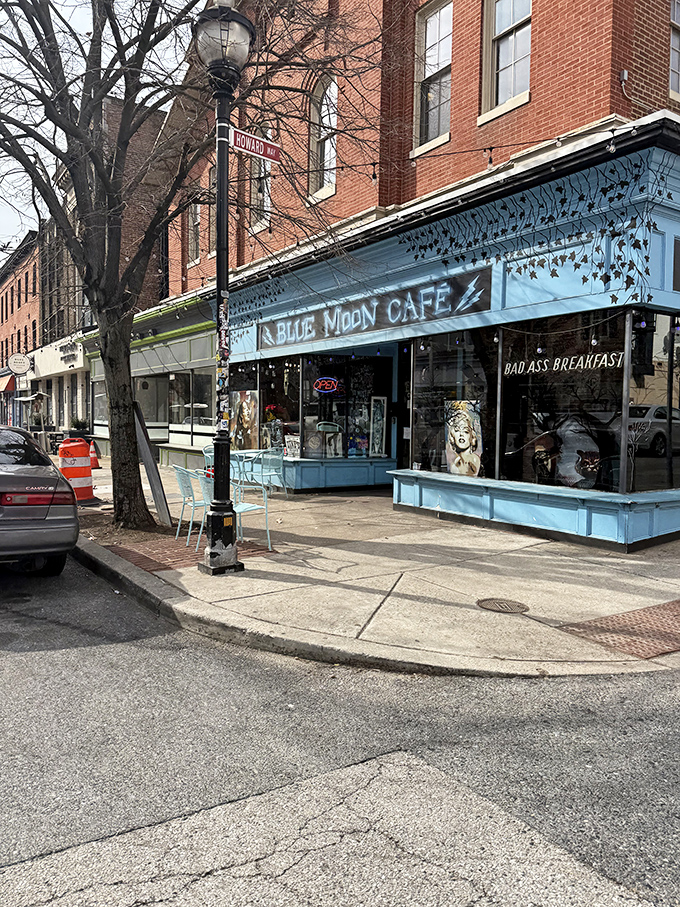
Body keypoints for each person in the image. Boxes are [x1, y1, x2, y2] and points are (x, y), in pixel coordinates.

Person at [446, 408, 481, 477]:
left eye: (466, 431)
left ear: (472, 436)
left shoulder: (474, 460)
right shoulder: (455, 462)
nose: (461, 434)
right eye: (457, 430)